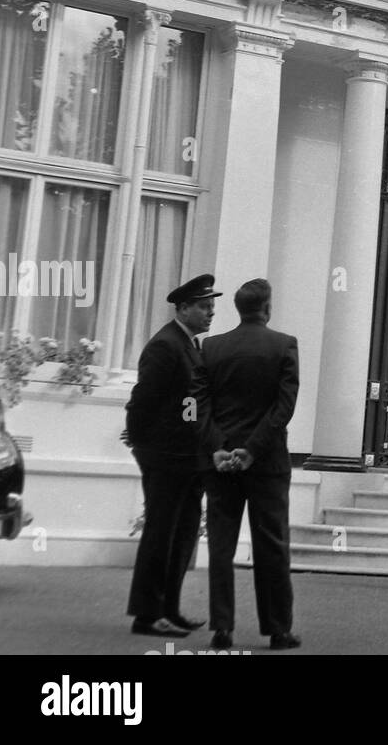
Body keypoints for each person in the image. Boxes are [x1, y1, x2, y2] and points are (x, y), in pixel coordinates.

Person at [194, 278, 301, 650]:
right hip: (267, 462)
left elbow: (199, 406)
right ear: (267, 307)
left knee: (220, 545)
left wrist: (218, 448)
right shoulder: (284, 345)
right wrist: (253, 450)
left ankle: (222, 628)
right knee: (271, 544)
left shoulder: (211, 347)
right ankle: (277, 629)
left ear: (238, 308)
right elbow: (282, 409)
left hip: (220, 463)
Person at [124, 273, 221, 638]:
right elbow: (143, 401)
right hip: (166, 457)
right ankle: (147, 614)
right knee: (161, 533)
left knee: (181, 534)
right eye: (203, 306)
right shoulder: (166, 345)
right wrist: (142, 446)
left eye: (212, 306)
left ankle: (169, 607)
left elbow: (189, 404)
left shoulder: (189, 345)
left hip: (186, 458)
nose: (210, 313)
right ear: (182, 308)